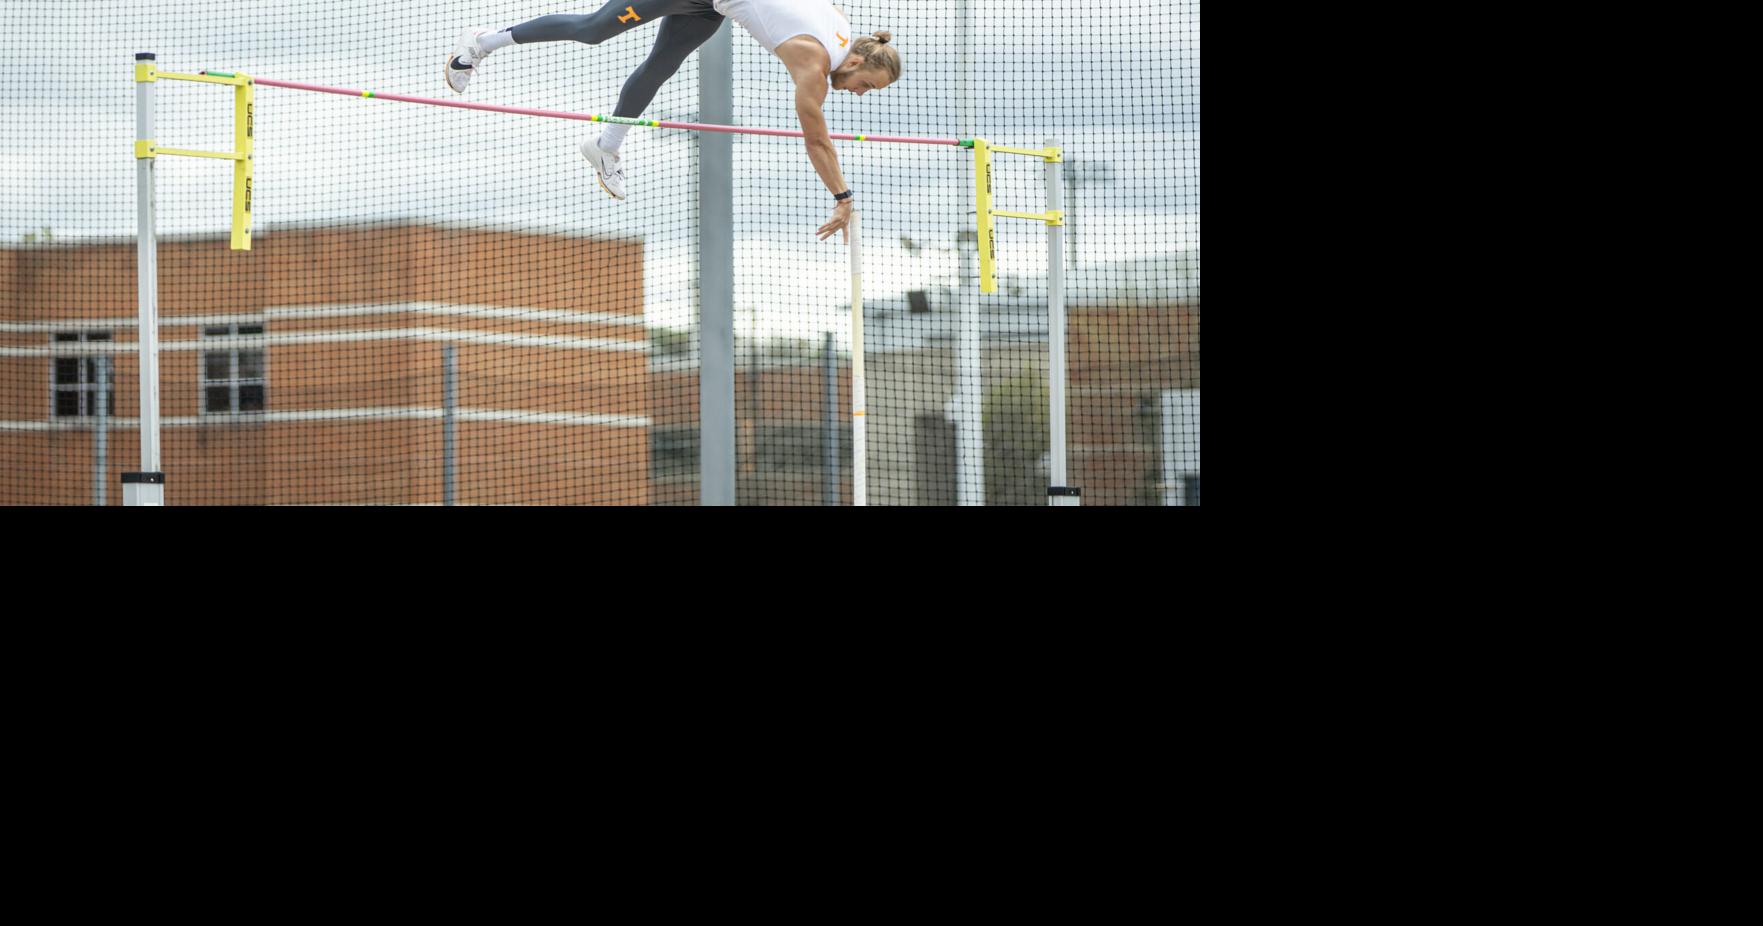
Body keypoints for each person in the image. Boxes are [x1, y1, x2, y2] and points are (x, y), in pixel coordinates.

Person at [445, 1, 902, 241]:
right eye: (867, 84)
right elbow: (817, 141)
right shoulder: (815, 62)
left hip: (710, 5)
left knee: (662, 65)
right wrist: (843, 197)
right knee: (594, 30)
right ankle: (484, 42)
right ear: (858, 59)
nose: (861, 93)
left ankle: (606, 145)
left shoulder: (842, 30)